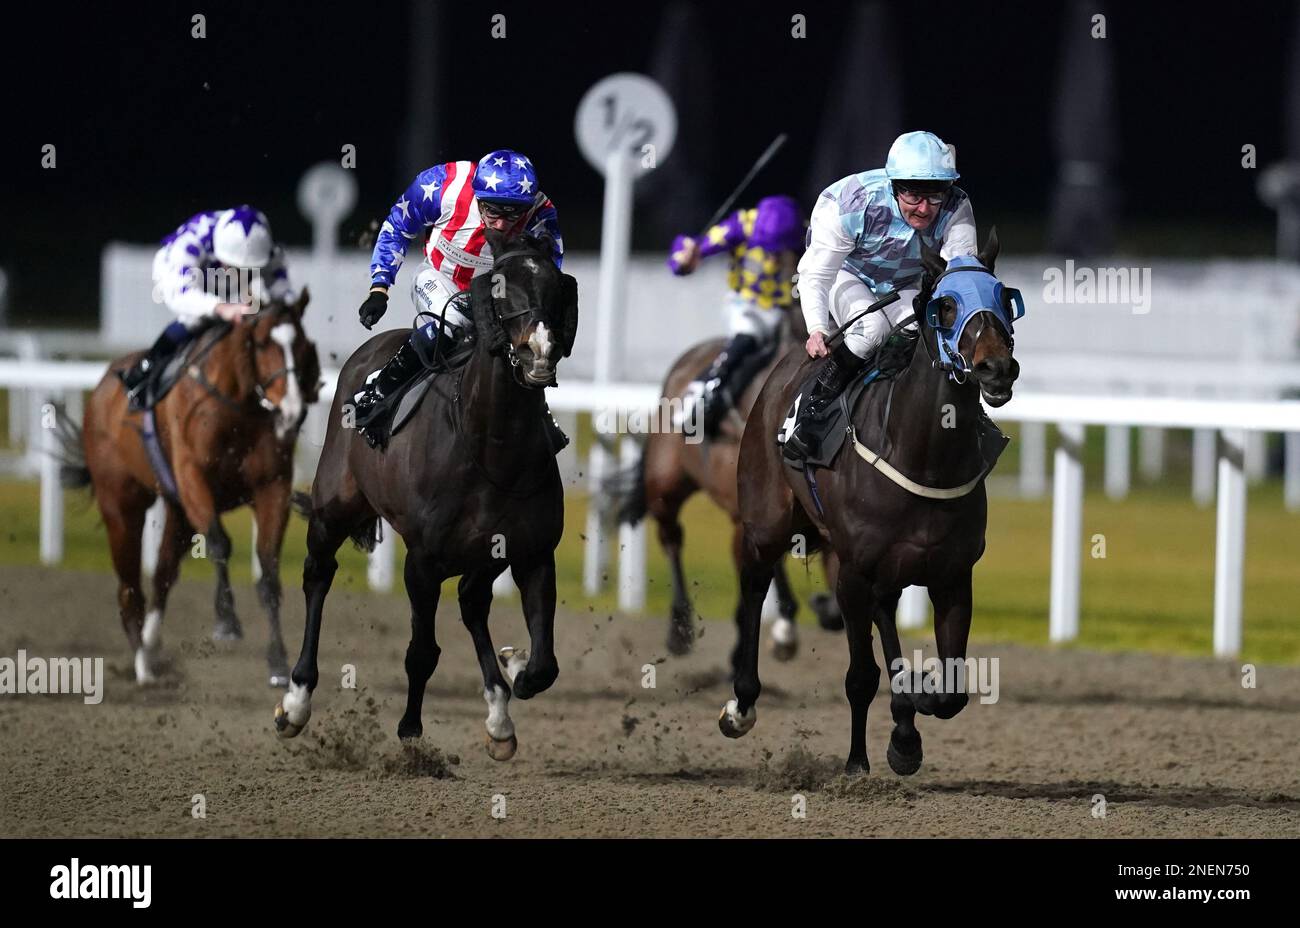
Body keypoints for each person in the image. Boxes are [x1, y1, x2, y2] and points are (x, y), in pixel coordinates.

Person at [781, 130, 977, 463]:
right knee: (870, 330)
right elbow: (820, 274)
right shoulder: (852, 202)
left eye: (934, 195)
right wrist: (816, 327)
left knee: (923, 331)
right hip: (846, 273)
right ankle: (807, 415)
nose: (925, 208)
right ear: (894, 185)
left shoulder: (956, 205)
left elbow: (962, 274)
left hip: (902, 282)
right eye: (914, 195)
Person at [352, 149, 567, 450]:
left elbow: (548, 274)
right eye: (493, 211)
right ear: (478, 197)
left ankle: (539, 416)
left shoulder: (541, 213)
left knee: (523, 347)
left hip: (495, 295)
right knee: (449, 326)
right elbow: (398, 226)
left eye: (513, 214)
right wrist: (380, 287)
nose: (502, 225)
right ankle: (379, 392)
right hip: (440, 278)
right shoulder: (443, 185)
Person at [119, 206, 292, 410]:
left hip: (220, 267)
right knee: (195, 319)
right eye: (234, 267)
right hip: (182, 275)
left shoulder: (263, 247)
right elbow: (178, 293)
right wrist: (220, 307)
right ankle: (144, 371)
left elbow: (283, 293)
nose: (239, 274)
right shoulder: (190, 243)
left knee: (257, 312)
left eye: (246, 269)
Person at [666, 195, 804, 438]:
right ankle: (702, 393)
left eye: (778, 252)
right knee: (747, 337)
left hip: (785, 311)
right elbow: (693, 248)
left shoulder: (805, 236)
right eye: (767, 250)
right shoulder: (740, 226)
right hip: (746, 305)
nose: (772, 258)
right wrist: (684, 259)